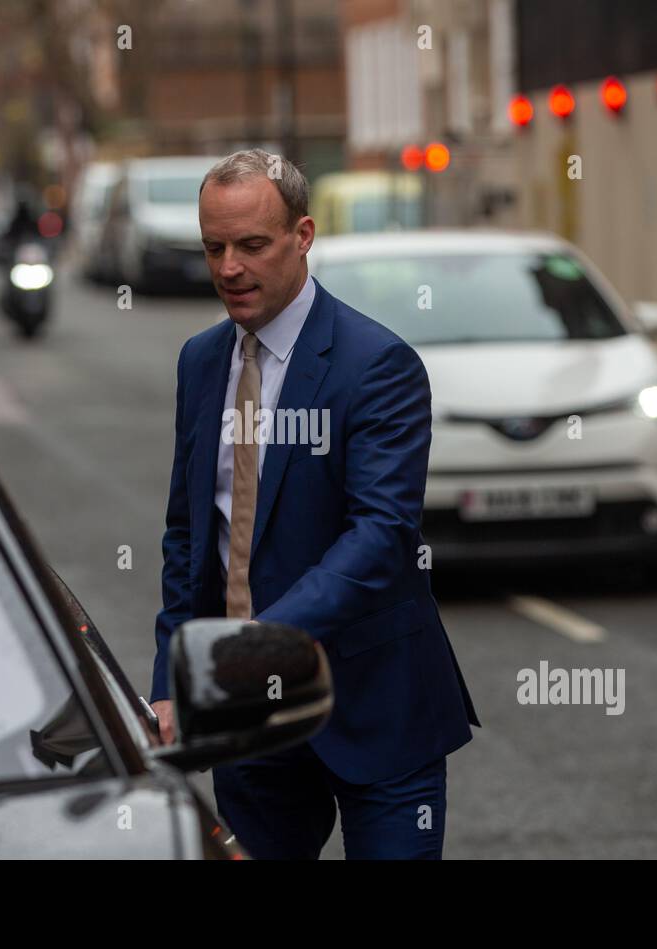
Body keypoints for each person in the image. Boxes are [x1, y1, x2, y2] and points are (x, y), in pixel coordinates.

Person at [149, 149, 480, 859]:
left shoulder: (377, 365)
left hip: (376, 710)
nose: (229, 267)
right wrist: (171, 680)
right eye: (214, 247)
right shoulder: (199, 361)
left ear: (303, 236)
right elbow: (188, 537)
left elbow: (382, 536)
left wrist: (249, 646)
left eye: (252, 245)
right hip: (249, 725)